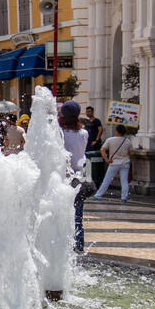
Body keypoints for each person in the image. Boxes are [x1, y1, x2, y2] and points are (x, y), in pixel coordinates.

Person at [61, 100, 90, 253]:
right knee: (78, 214)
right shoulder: (84, 133)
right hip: (80, 177)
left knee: (61, 213)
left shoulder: (60, 133)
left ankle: (62, 245)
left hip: (64, 177)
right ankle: (79, 246)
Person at [93, 125, 133, 201]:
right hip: (125, 163)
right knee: (124, 181)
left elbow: (102, 150)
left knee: (107, 180)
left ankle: (98, 195)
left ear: (116, 131)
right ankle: (124, 197)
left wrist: (106, 159)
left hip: (114, 163)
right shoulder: (127, 141)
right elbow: (131, 153)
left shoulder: (110, 140)